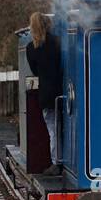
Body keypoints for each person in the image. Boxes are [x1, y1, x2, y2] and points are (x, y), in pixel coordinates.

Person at [25, 12, 64, 174]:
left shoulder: (31, 48)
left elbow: (35, 71)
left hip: (47, 94)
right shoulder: (57, 42)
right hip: (61, 90)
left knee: (52, 129)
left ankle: (56, 162)